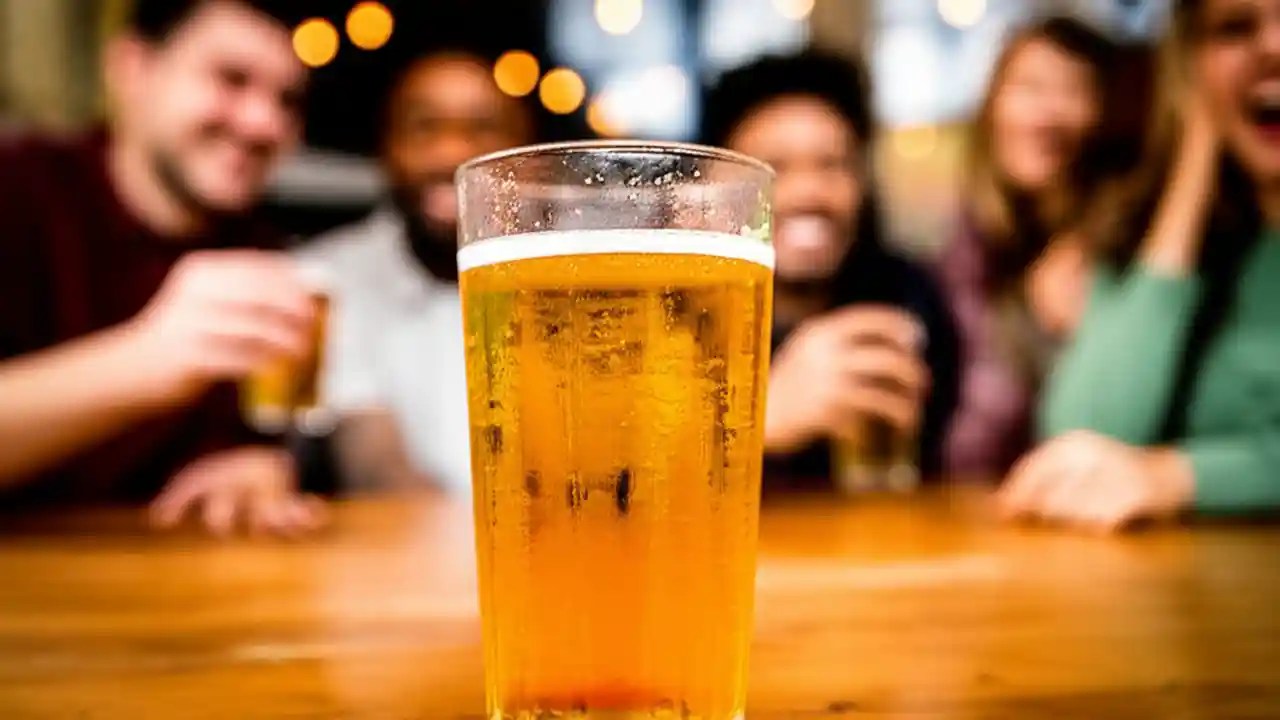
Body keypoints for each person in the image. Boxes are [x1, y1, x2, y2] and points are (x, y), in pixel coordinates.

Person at [0, 0, 325, 535]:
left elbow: (256, 442)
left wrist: (261, 466)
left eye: (287, 101)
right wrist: (148, 358)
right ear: (133, 70)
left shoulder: (260, 247)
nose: (265, 122)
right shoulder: (18, 192)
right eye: (231, 79)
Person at [1002, 0, 1280, 531]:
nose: (1272, 47)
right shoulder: (1143, 231)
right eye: (1234, 28)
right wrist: (1191, 169)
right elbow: (1083, 438)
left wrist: (1175, 477)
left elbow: (1138, 477)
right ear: (1189, 67)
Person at [701, 51, 960, 486]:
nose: (808, 192)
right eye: (774, 168)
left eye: (832, 165)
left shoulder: (909, 299)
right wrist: (757, 421)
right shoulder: (673, 323)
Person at [298, 50, 534, 493]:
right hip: (403, 553)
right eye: (424, 127)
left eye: (482, 129)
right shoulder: (328, 280)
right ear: (386, 147)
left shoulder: (564, 287)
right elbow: (378, 473)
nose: (452, 154)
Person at [939, 17, 1118, 477]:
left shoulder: (1123, 248)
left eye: (1075, 89)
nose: (1049, 113)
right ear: (991, 105)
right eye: (1030, 86)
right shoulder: (965, 248)